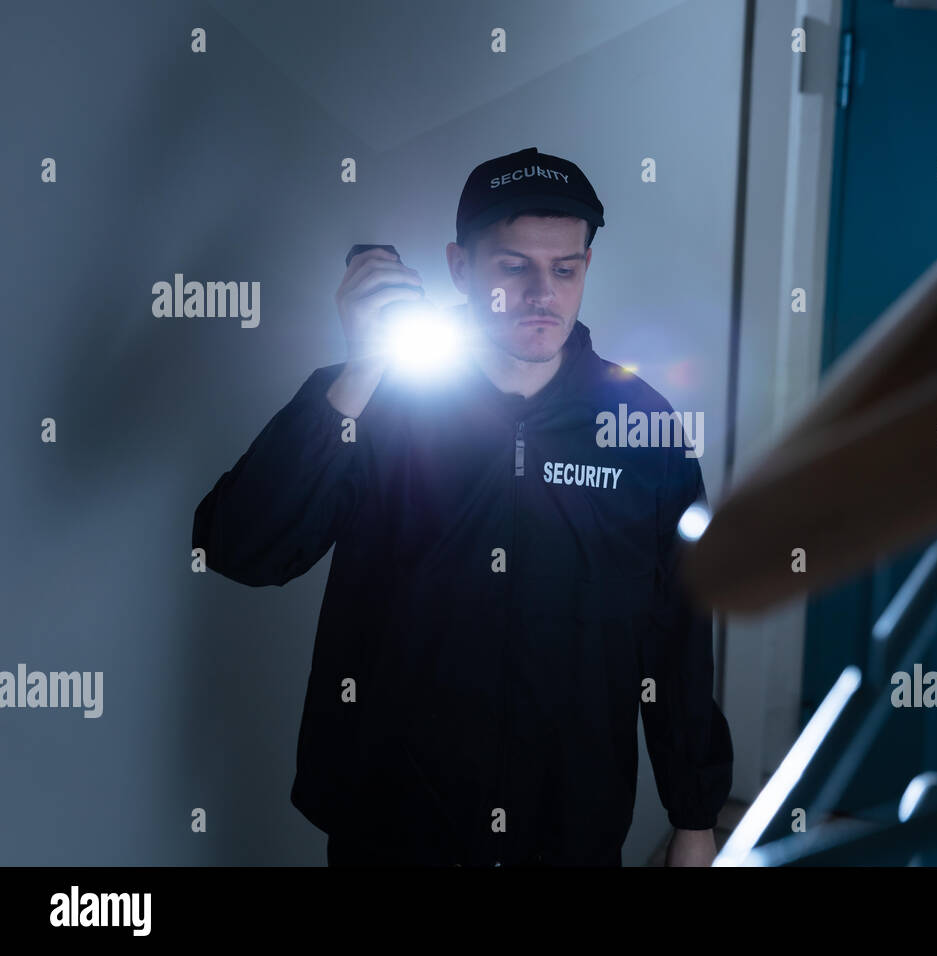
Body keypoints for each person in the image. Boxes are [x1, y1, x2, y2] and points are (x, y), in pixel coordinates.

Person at [192, 146, 733, 867]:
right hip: (391, 820)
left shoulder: (640, 426)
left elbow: (679, 636)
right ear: (458, 267)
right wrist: (359, 372)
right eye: (514, 266)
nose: (543, 293)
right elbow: (239, 550)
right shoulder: (373, 396)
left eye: (564, 269)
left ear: (585, 270)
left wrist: (695, 818)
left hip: (568, 823)